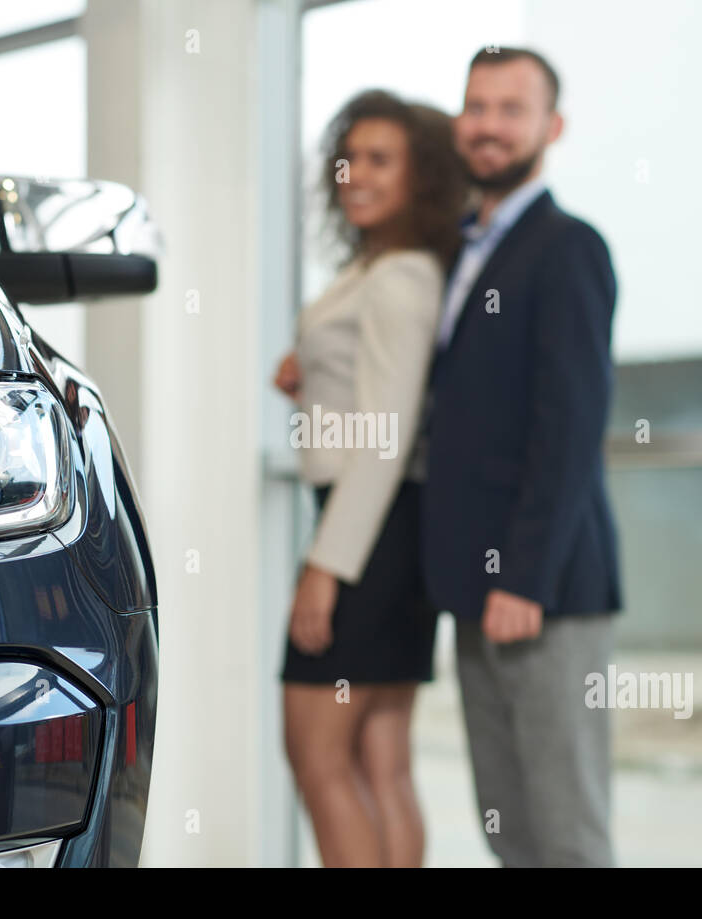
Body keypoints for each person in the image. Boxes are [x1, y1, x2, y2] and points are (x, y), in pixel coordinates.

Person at [421, 47, 622, 867]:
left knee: (566, 831)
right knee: (510, 823)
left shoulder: (567, 246)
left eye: (511, 109)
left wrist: (524, 576)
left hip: (545, 593)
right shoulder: (466, 249)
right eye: (477, 107)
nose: (489, 125)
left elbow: (572, 425)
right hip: (481, 586)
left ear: (553, 127)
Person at [272, 90, 465, 867]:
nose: (356, 174)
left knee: (318, 759)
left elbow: (383, 441)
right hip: (392, 530)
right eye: (349, 158)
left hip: (365, 530)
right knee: (380, 763)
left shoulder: (398, 278)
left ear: (421, 178)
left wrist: (325, 566)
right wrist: (311, 371)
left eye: (381, 160)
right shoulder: (382, 270)